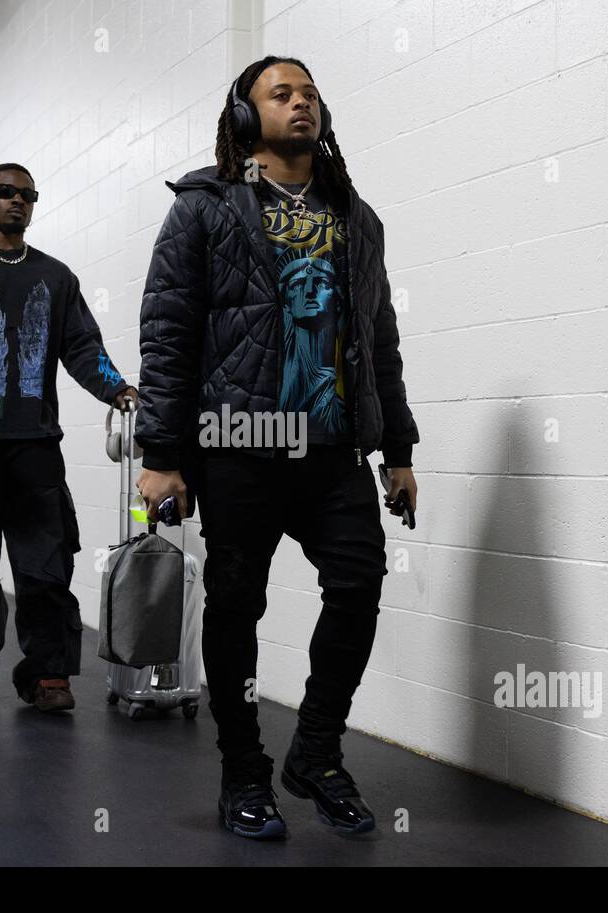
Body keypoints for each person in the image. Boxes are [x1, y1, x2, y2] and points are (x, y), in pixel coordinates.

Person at [133, 56, 420, 839]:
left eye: (310, 94)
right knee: (236, 607)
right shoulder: (206, 208)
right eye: (281, 94)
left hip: (332, 448)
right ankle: (243, 770)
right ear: (242, 114)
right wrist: (160, 454)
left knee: (358, 582)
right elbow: (166, 333)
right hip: (238, 445)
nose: (301, 104)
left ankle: (317, 751)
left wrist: (397, 446)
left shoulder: (356, 217)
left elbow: (379, 341)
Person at [0, 162, 137, 711]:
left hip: (34, 445)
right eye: (6, 192)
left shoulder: (56, 276)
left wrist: (117, 390)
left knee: (46, 566)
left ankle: (48, 674)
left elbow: (82, 346)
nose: (17, 201)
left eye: (27, 195)